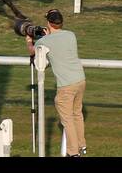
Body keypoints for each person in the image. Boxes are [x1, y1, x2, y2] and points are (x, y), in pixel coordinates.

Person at [28, 8, 87, 157]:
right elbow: (58, 43)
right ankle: (82, 145)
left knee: (67, 120)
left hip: (66, 85)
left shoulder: (44, 41)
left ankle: (73, 152)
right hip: (80, 79)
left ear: (48, 23)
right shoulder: (71, 35)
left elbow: (32, 51)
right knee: (77, 114)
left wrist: (29, 41)